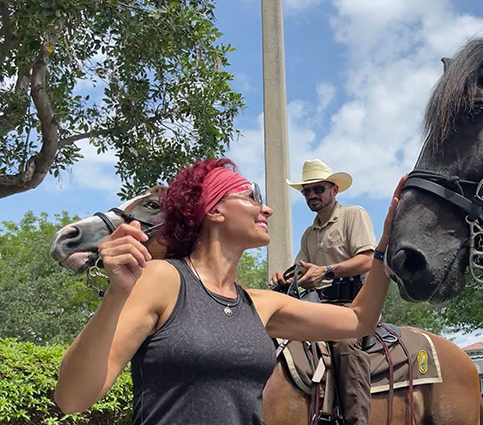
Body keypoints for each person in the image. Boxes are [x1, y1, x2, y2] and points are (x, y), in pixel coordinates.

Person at [54, 158, 403, 425]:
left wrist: (388, 240)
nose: (266, 208)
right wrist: (117, 295)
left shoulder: (261, 305)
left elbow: (359, 320)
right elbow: (71, 399)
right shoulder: (163, 279)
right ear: (214, 209)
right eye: (251, 197)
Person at [270, 158, 375, 425]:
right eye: (307, 191)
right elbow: (303, 269)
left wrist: (326, 271)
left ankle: (356, 420)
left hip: (355, 306)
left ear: (334, 190)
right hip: (321, 309)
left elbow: (368, 260)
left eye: (318, 189)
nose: (312, 195)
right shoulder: (308, 234)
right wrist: (286, 277)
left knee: (344, 344)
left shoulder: (353, 215)